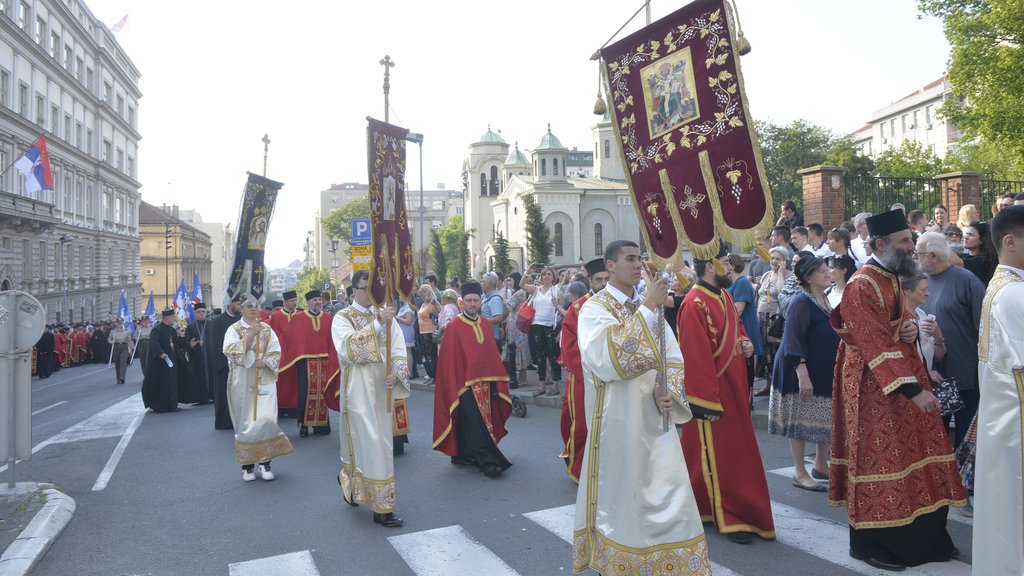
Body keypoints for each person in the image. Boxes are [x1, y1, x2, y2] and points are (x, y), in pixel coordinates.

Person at [830, 210, 964, 571]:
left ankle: (926, 539)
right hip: (873, 385)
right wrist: (913, 391)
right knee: (878, 456)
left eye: (910, 239)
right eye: (905, 241)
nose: (911, 246)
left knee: (917, 451)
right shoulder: (862, 284)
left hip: (901, 377)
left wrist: (908, 328)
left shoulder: (891, 276)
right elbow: (872, 341)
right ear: (880, 244)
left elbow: (895, 322)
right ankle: (870, 545)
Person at [573, 240, 711, 574]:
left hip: (654, 416)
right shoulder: (595, 309)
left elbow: (670, 356)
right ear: (610, 265)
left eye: (640, 258)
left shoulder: (649, 307)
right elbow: (608, 361)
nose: (638, 265)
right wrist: (649, 306)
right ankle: (621, 561)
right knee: (625, 493)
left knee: (667, 491)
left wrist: (668, 390)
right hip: (618, 420)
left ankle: (666, 562)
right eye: (630, 259)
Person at [678, 244, 775, 545]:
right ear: (710, 266)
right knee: (720, 457)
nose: (730, 267)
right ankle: (729, 515)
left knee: (736, 454)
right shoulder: (694, 303)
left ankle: (724, 508)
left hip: (734, 390)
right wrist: (706, 402)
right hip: (713, 396)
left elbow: (737, 330)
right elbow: (695, 357)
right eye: (725, 262)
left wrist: (745, 343)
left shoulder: (724, 295)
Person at [331, 270, 409, 527]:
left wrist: (397, 374)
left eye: (375, 287)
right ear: (354, 291)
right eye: (366, 288)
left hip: (382, 389)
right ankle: (381, 507)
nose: (372, 292)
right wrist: (377, 324)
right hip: (357, 391)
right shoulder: (343, 318)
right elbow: (349, 350)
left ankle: (354, 485)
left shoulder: (385, 316)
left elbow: (398, 348)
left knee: (382, 444)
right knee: (370, 443)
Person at [973, 205, 1024, 575]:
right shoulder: (1013, 294)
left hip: (1005, 423)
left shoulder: (1002, 287)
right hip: (1015, 424)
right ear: (1010, 241)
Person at [768, 255, 838, 492]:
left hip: (820, 368)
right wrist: (802, 374)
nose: (828, 273)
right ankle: (799, 472)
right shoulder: (801, 301)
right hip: (797, 368)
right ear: (808, 278)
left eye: (827, 269)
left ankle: (821, 465)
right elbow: (793, 339)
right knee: (799, 419)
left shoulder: (824, 298)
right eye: (822, 271)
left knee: (822, 416)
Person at [433, 281, 513, 478]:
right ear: (463, 302)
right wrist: (456, 383)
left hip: (487, 381)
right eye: (468, 300)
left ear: (480, 302)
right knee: (476, 422)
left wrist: (496, 380)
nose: (472, 304)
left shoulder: (485, 323)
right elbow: (449, 360)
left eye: (476, 300)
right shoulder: (454, 326)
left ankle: (461, 453)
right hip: (464, 384)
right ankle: (488, 462)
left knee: (478, 420)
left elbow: (491, 354)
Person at [916, 231, 985, 448]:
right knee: (936, 437)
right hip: (932, 374)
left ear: (933, 256)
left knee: (965, 437)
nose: (915, 258)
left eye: (919, 254)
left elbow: (984, 328)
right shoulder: (920, 282)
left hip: (964, 375)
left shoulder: (966, 280)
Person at [223, 296, 293, 482]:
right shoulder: (234, 329)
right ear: (242, 309)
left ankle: (265, 462)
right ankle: (247, 466)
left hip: (264, 379)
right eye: (249, 306)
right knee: (246, 422)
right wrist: (250, 335)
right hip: (242, 381)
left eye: (255, 306)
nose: (253, 309)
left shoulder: (267, 329)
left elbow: (276, 351)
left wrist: (267, 361)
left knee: (267, 420)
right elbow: (231, 352)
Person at [557, 260, 605, 484]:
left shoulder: (619, 305)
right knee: (582, 425)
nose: (603, 284)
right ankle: (580, 468)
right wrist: (594, 369)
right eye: (598, 280)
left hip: (614, 377)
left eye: (607, 279)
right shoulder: (578, 308)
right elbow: (569, 345)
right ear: (590, 281)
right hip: (584, 377)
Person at [279, 290, 341, 438]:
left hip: (325, 362)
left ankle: (322, 425)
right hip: (305, 364)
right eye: (314, 300)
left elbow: (333, 339)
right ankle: (304, 425)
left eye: (319, 299)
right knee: (305, 394)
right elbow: (288, 338)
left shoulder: (328, 318)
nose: (318, 302)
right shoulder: (298, 318)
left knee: (323, 393)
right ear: (307, 302)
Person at [754, 246, 794, 396]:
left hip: (776, 318)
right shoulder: (766, 274)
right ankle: (768, 383)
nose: (774, 261)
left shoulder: (789, 275)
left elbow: (783, 293)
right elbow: (760, 294)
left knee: (775, 350)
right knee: (764, 352)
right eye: (772, 258)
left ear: (784, 261)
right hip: (762, 316)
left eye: (778, 259)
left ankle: (778, 384)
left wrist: (781, 273)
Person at [522, 266, 563, 396]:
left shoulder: (557, 291)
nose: (546, 276)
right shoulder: (536, 289)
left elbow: (561, 313)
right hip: (536, 325)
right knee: (540, 356)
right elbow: (522, 285)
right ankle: (541, 385)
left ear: (553, 277)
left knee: (553, 356)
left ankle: (556, 385)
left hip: (550, 326)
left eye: (549, 274)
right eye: (544, 274)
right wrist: (526, 273)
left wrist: (560, 331)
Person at [726, 254, 762, 399]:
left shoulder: (742, 282)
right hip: (738, 330)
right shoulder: (732, 283)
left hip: (745, 329)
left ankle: (747, 400)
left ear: (733, 266)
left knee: (746, 368)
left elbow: (738, 309)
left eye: (726, 263)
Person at [900, 273, 945, 382]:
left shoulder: (922, 315)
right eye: (923, 290)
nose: (928, 294)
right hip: (909, 388)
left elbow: (938, 358)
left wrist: (938, 337)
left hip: (927, 385)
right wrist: (926, 375)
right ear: (907, 290)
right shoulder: (897, 320)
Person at [208, 295, 242, 430]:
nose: (240, 307)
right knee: (223, 395)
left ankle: (237, 420)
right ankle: (224, 421)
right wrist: (227, 361)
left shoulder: (240, 320)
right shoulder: (218, 321)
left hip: (239, 364)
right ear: (230, 304)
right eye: (238, 304)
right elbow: (215, 345)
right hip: (224, 365)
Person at [268, 289, 302, 416]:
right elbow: (273, 336)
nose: (294, 303)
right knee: (283, 381)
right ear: (285, 302)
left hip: (297, 354)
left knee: (295, 382)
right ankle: (281, 407)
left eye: (295, 300)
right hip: (282, 354)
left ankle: (294, 407)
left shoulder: (300, 315)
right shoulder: (277, 316)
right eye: (292, 301)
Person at [143, 309, 180, 413]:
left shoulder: (172, 330)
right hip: (160, 363)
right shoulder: (157, 329)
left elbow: (176, 344)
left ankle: (172, 405)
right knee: (162, 384)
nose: (174, 319)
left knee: (172, 383)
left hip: (172, 361)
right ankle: (161, 406)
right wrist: (160, 353)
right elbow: (154, 343)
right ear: (167, 318)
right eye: (173, 317)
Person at [181, 303, 212, 404]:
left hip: (210, 356)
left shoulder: (211, 324)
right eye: (199, 312)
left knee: (211, 375)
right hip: (197, 357)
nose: (201, 313)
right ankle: (201, 398)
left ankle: (212, 395)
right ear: (195, 313)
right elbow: (186, 342)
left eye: (203, 311)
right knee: (199, 376)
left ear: (206, 312)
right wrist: (190, 345)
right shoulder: (191, 326)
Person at [502, 276, 530, 389]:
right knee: (522, 348)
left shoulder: (518, 293)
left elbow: (507, 305)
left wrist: (505, 290)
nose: (509, 282)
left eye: (510, 279)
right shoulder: (522, 292)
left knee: (517, 348)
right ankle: (522, 377)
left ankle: (520, 378)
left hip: (516, 323)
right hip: (520, 322)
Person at [961, 221, 998, 286]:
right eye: (966, 234)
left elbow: (958, 263)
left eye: (970, 235)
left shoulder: (982, 260)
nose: (966, 237)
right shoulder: (963, 256)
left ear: (981, 240)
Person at [416, 285, 439, 385]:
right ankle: (431, 375)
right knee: (425, 355)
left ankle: (434, 376)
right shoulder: (424, 303)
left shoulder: (432, 303)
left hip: (429, 332)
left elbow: (438, 315)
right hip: (422, 332)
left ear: (426, 292)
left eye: (422, 292)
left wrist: (435, 321)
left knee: (431, 355)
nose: (420, 294)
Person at [480, 272, 505, 347]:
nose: (481, 283)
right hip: (485, 336)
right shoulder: (485, 297)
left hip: (491, 338)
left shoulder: (495, 299)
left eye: (483, 281)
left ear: (489, 284)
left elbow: (498, 318)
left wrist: (480, 321)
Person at [396, 302, 418, 380]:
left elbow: (409, 321)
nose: (399, 296)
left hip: (406, 331)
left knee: (408, 351)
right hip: (404, 330)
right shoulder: (405, 307)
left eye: (400, 296)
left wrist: (398, 318)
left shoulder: (408, 308)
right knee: (405, 351)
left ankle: (409, 372)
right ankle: (406, 371)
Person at [108, 319, 132, 385]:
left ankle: (122, 378)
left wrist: (130, 350)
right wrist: (111, 342)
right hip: (116, 347)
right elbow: (109, 339)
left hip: (124, 347)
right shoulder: (113, 332)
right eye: (118, 323)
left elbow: (129, 341)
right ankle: (118, 379)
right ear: (116, 324)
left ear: (122, 324)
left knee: (123, 363)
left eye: (121, 323)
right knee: (117, 363)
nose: (119, 324)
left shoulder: (126, 332)